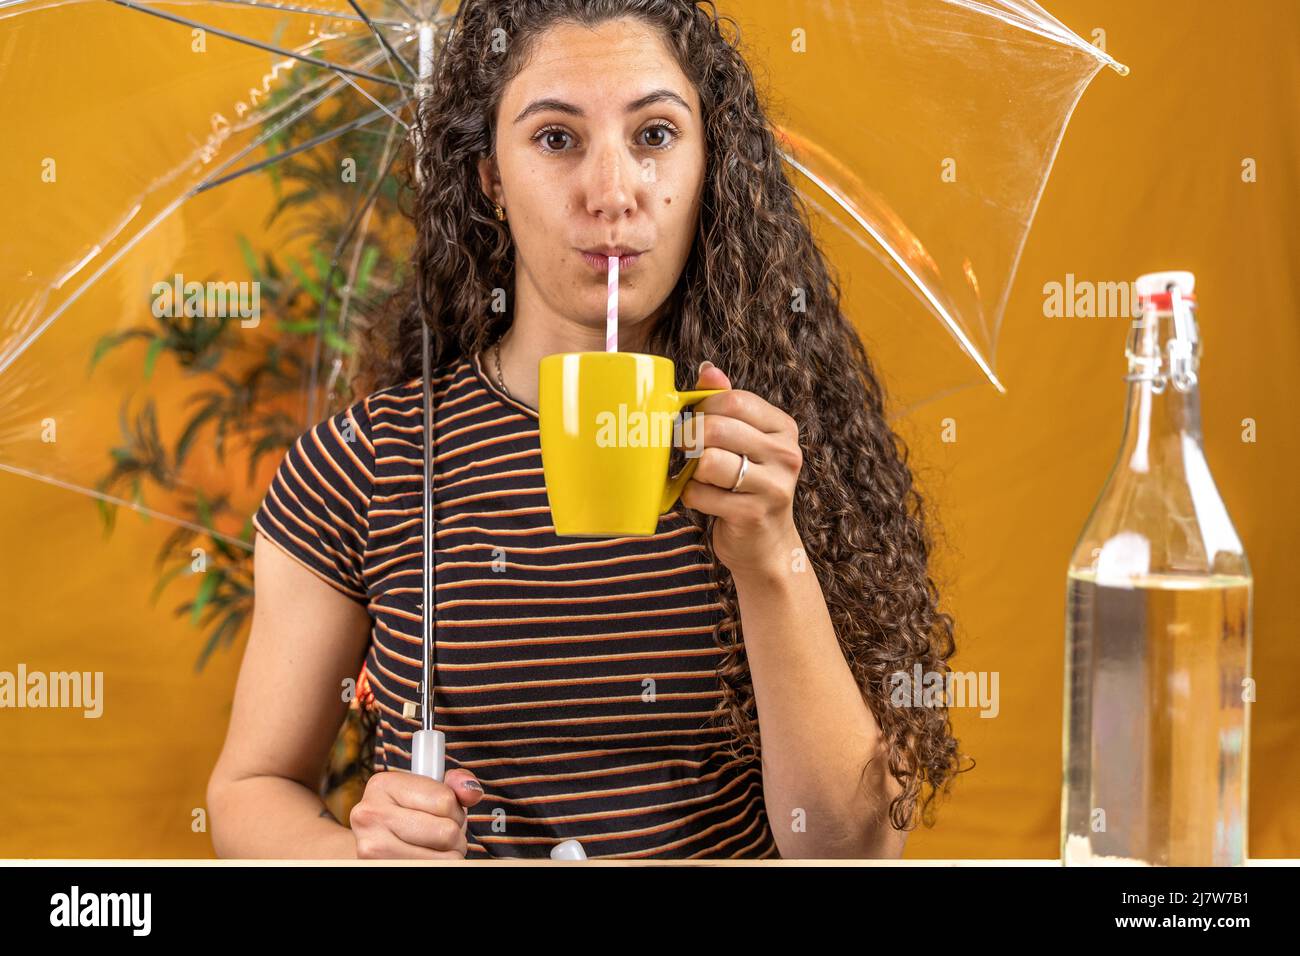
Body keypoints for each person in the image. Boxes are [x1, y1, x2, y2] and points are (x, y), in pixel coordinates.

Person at [207, 0, 966, 861]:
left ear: (709, 159)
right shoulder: (372, 463)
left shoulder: (776, 449)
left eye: (653, 135)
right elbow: (249, 791)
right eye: (556, 139)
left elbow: (852, 854)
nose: (613, 194)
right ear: (490, 175)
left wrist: (770, 556)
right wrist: (358, 856)